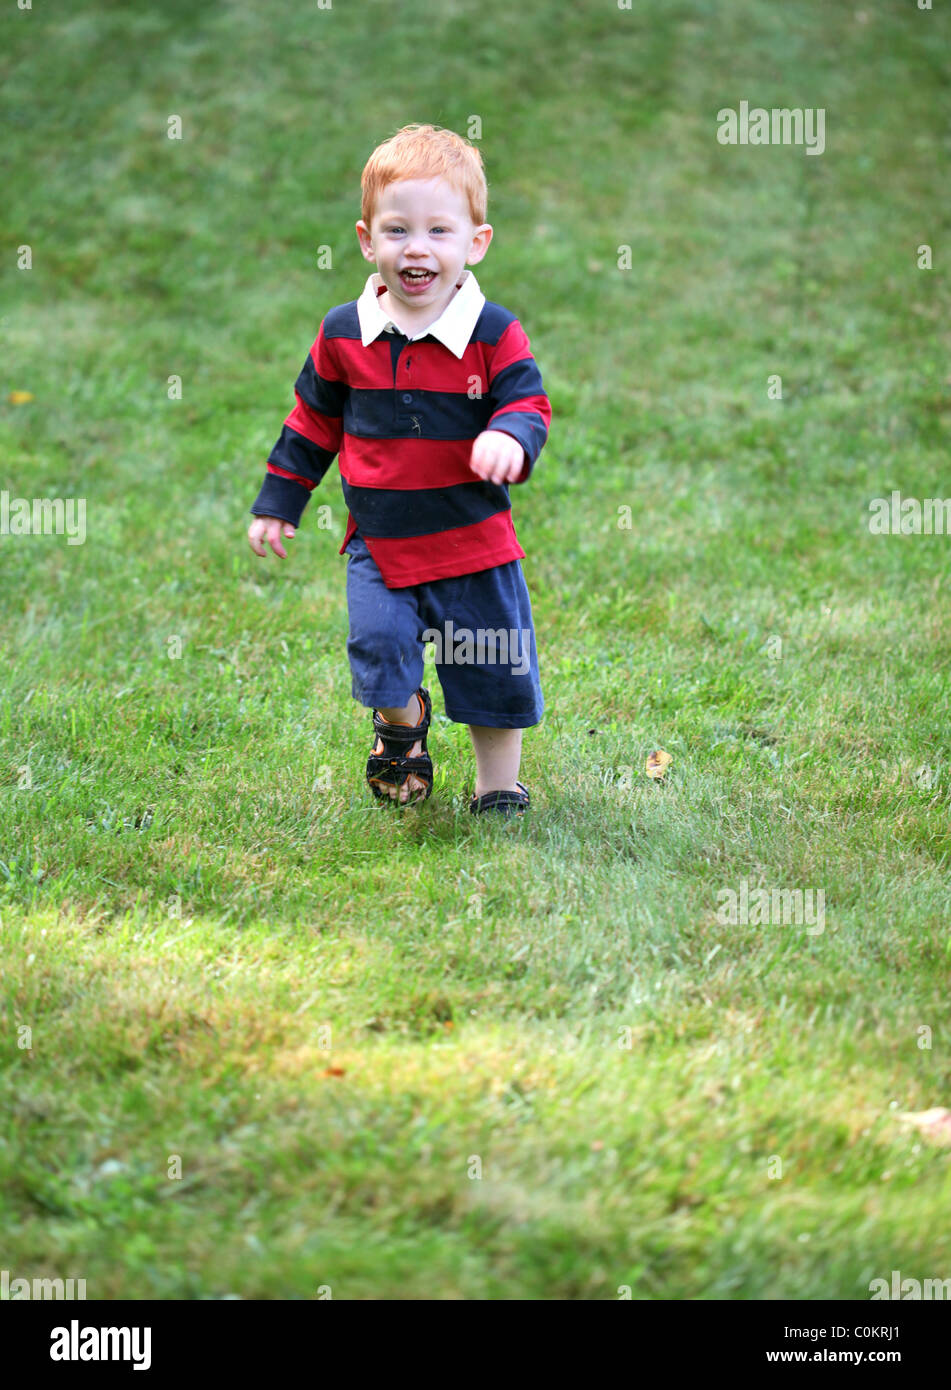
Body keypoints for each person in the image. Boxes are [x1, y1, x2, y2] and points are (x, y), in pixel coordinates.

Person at [247, 124, 550, 815]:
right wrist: (278, 502)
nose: (417, 248)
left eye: (439, 231)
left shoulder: (491, 331)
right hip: (379, 541)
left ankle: (497, 789)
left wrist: (510, 435)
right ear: (366, 240)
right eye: (398, 230)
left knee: (490, 670)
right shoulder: (342, 333)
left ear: (475, 243)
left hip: (473, 543)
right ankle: (402, 721)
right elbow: (311, 423)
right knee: (377, 646)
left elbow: (527, 400)